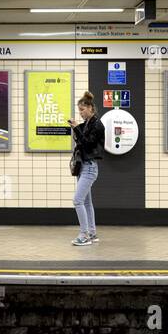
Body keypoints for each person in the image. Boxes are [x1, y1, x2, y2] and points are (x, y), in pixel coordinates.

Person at [69, 91, 106, 246]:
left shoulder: (97, 124)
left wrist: (77, 128)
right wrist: (76, 128)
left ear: (91, 108)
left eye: (83, 110)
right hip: (83, 166)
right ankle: (91, 233)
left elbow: (89, 143)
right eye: (79, 111)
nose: (81, 113)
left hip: (90, 167)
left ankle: (84, 234)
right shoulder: (87, 124)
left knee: (77, 200)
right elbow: (80, 142)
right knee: (86, 203)